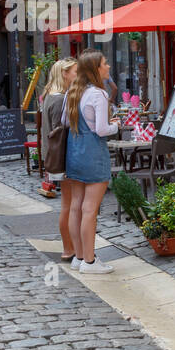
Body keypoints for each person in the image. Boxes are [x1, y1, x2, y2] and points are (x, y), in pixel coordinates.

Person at [63, 50, 119, 274]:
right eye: (105, 64)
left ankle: (79, 257)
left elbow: (65, 121)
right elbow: (102, 129)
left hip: (74, 152)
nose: (108, 67)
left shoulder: (73, 92)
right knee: (90, 210)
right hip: (93, 154)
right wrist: (117, 125)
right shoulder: (98, 94)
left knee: (76, 206)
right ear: (96, 69)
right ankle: (90, 261)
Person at [41, 58, 78, 262]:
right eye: (74, 72)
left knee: (68, 204)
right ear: (64, 74)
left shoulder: (50, 95)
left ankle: (70, 247)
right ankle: (69, 247)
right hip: (61, 158)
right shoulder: (58, 98)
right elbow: (59, 132)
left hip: (56, 157)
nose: (76, 76)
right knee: (69, 205)